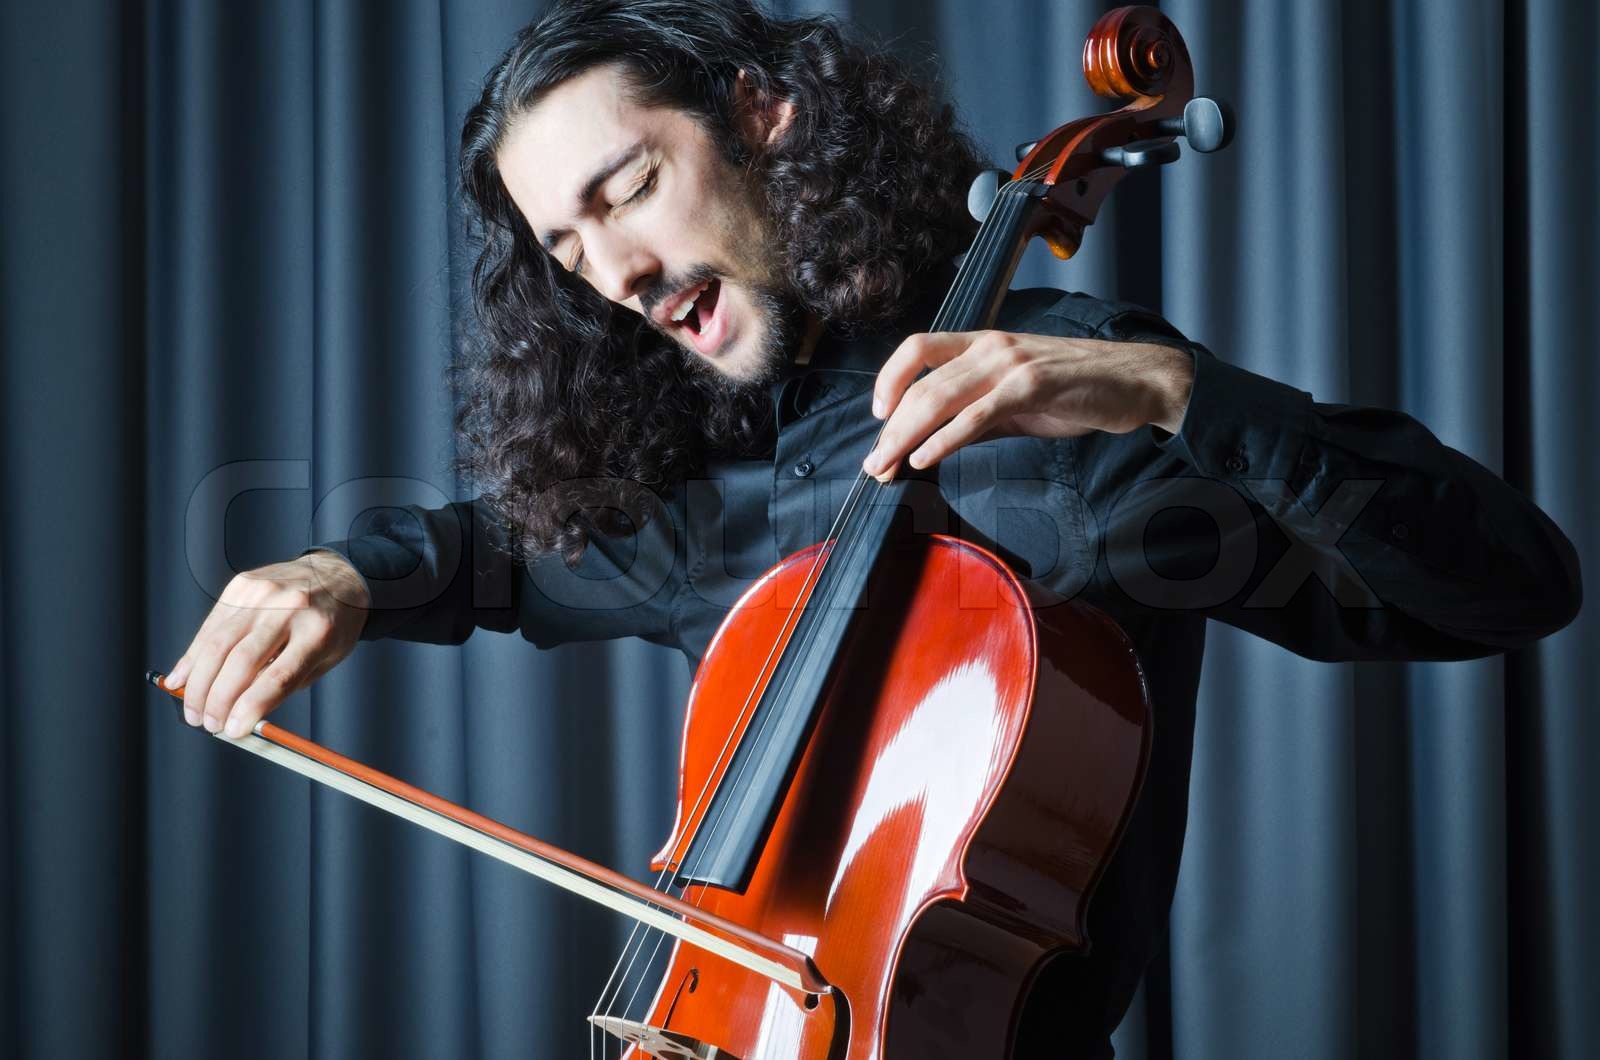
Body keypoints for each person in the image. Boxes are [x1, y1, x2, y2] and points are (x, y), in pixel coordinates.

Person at [161, 1, 1581, 1055]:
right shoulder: (708, 501)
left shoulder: (1069, 426)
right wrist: (334, 567)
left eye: (627, 192)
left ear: (763, 116)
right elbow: (491, 554)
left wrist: (1176, 394)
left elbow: (1504, 586)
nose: (621, 277)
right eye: (570, 251)